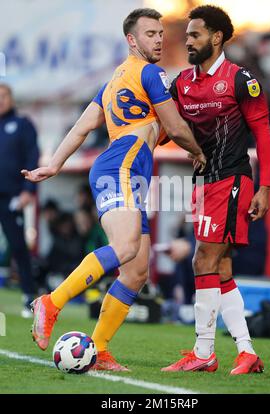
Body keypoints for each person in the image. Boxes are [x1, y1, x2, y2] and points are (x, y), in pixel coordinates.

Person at [22, 8, 206, 371]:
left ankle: (100, 349)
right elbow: (175, 126)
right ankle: (52, 303)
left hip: (128, 173)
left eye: (159, 33)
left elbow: (81, 128)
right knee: (124, 248)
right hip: (120, 168)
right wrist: (200, 151)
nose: (158, 39)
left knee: (137, 271)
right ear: (131, 40)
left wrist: (55, 164)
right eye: (149, 34)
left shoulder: (115, 81)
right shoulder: (151, 73)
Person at [162, 5, 270, 375]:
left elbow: (264, 136)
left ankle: (204, 351)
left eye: (195, 34)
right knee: (220, 268)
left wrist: (266, 188)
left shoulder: (241, 80)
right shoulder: (182, 83)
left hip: (233, 180)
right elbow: (169, 131)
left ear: (217, 37)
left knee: (202, 261)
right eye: (187, 34)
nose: (187, 40)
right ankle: (246, 351)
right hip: (205, 184)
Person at [0, 84, 39, 318]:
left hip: (12, 197)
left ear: (12, 99)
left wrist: (27, 190)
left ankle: (29, 296)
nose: (1, 100)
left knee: (18, 247)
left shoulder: (23, 125)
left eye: (4, 96)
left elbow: (32, 155)